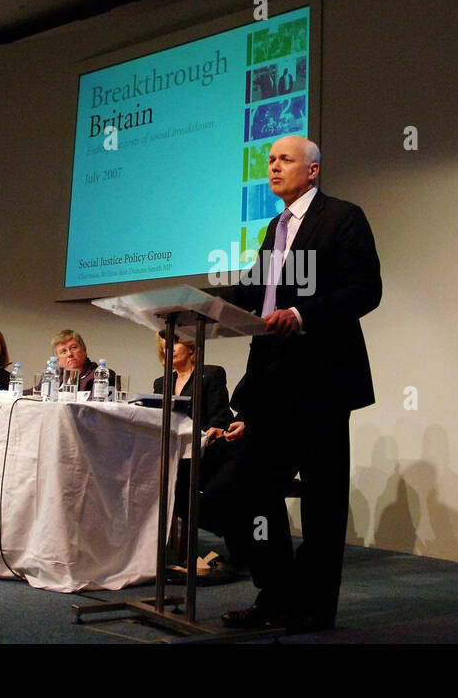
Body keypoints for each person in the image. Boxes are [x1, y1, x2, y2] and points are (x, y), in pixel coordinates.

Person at [217, 135, 381, 632]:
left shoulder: (343, 217)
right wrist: (191, 303)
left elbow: (365, 290)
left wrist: (302, 314)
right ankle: (277, 594)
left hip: (322, 381)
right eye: (269, 161)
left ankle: (312, 607)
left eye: (284, 160)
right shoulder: (275, 228)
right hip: (270, 383)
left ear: (312, 170)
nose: (273, 167)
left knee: (321, 499)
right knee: (250, 486)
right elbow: (254, 290)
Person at [153, 335, 248, 572]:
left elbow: (220, 418)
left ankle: (240, 548)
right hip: (179, 455)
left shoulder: (211, 374)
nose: (168, 349)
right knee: (167, 493)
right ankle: (234, 535)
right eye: (164, 345)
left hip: (213, 451)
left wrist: (206, 433)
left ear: (191, 347)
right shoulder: (161, 382)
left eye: (174, 343)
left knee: (215, 495)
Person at [52, 329, 119, 393]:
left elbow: (97, 404)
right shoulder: (52, 377)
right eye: (63, 351)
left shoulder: (101, 375)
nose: (69, 354)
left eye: (73, 348)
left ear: (84, 350)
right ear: (58, 361)